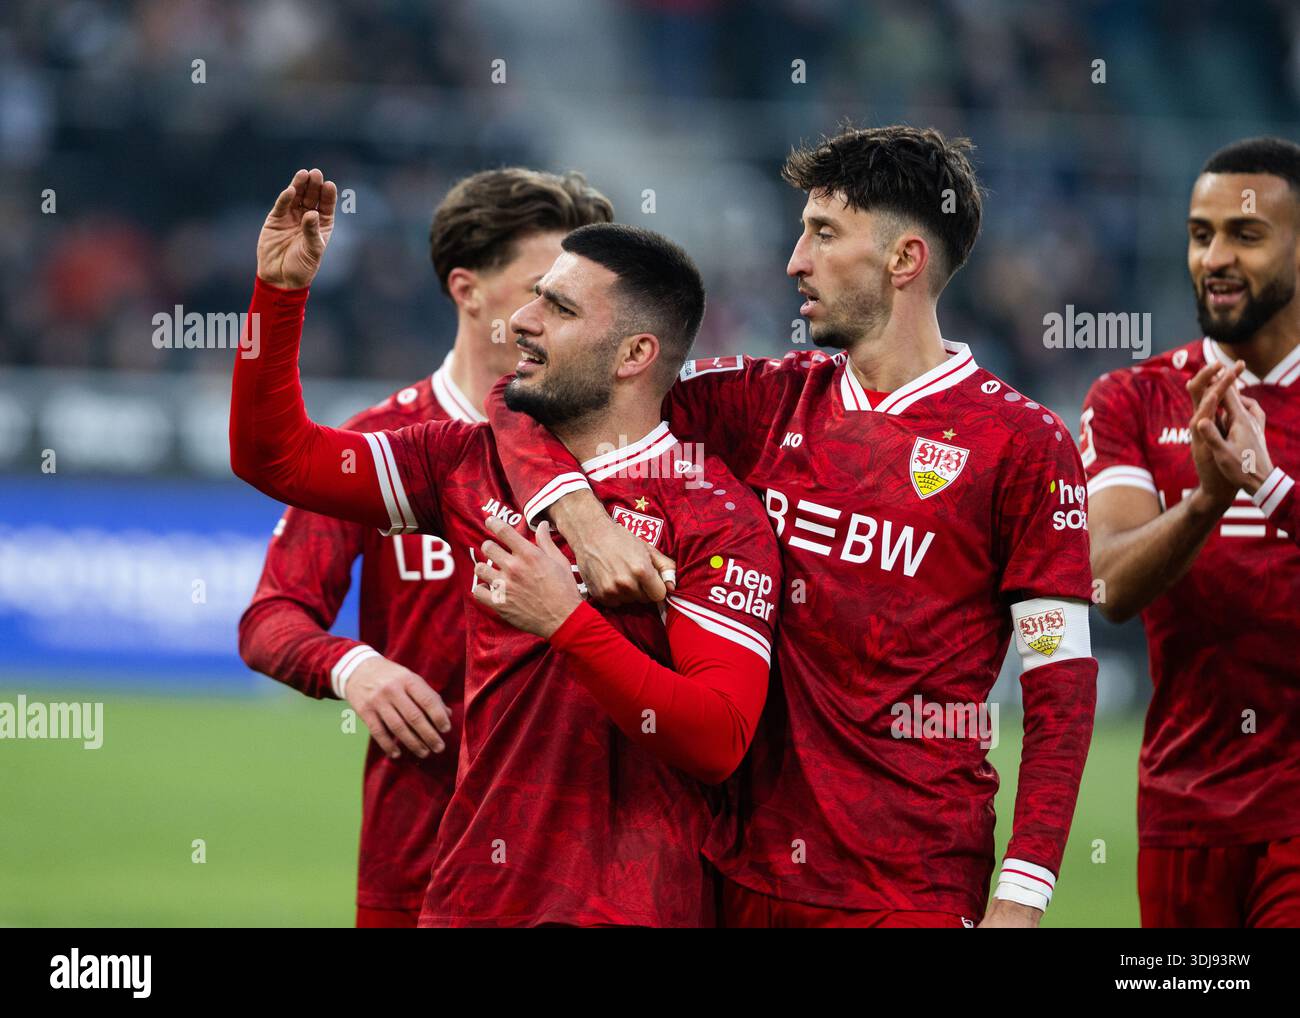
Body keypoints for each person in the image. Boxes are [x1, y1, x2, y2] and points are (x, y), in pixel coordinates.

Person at [485, 125, 1098, 927]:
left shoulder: (1021, 445)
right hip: (728, 874)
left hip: (906, 887)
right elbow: (524, 397)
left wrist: (1022, 897)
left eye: (823, 233)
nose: (794, 261)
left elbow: (1059, 685)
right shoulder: (760, 402)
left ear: (903, 261)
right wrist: (584, 521)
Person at [230, 168, 780, 926]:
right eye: (531, 292)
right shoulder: (464, 459)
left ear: (632, 355)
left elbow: (717, 739)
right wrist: (277, 295)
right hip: (459, 891)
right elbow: (274, 458)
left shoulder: (717, 513)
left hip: (629, 905)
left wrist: (564, 617)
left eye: (555, 305)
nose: (523, 322)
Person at [237, 167, 613, 928]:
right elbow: (271, 616)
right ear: (467, 289)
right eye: (540, 287)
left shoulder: (618, 448)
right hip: (418, 851)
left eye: (573, 294)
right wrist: (354, 666)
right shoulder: (386, 445)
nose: (557, 312)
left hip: (583, 862)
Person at [1083, 136, 1300, 927]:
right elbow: (1105, 585)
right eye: (1200, 233)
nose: (1215, 256)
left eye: (1246, 234)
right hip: (1184, 808)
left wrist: (1269, 488)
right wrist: (1206, 502)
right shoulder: (1133, 400)